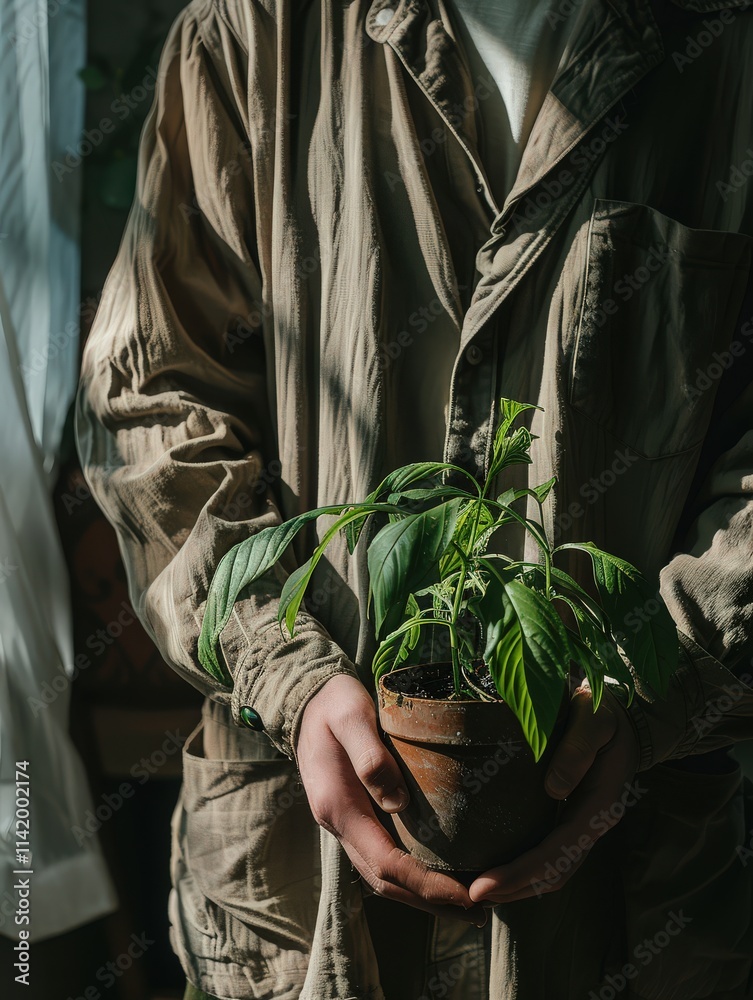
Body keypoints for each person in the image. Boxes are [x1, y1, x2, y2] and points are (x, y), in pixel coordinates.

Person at [75, 0, 753, 996]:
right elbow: (151, 400)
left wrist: (657, 681)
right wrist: (292, 673)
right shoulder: (253, 32)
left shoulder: (725, 45)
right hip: (302, 908)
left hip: (631, 898)